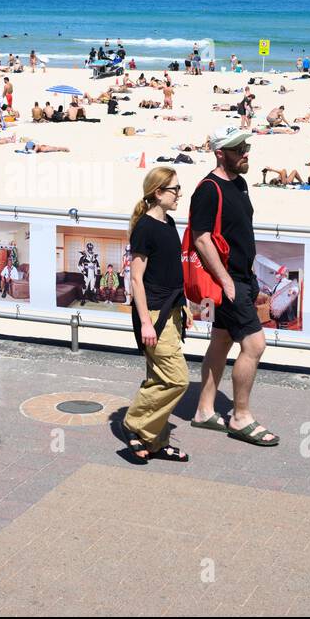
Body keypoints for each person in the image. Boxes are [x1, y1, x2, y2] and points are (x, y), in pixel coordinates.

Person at [189, 127, 278, 447]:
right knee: (254, 346)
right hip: (225, 281)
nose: (245, 153)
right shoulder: (208, 189)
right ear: (219, 153)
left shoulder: (239, 184)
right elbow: (200, 238)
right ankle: (240, 416)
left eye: (246, 147)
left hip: (241, 276)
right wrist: (225, 280)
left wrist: (248, 274)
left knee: (222, 339)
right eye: (238, 149)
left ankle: (203, 410)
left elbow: (238, 233)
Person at [121, 166, 190, 463]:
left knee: (158, 378)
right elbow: (136, 280)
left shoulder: (168, 222)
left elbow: (171, 272)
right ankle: (134, 424)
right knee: (178, 380)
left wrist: (184, 308)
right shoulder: (145, 228)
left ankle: (156, 442)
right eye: (174, 189)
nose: (179, 194)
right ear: (158, 193)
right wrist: (146, 323)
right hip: (153, 314)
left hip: (172, 310)